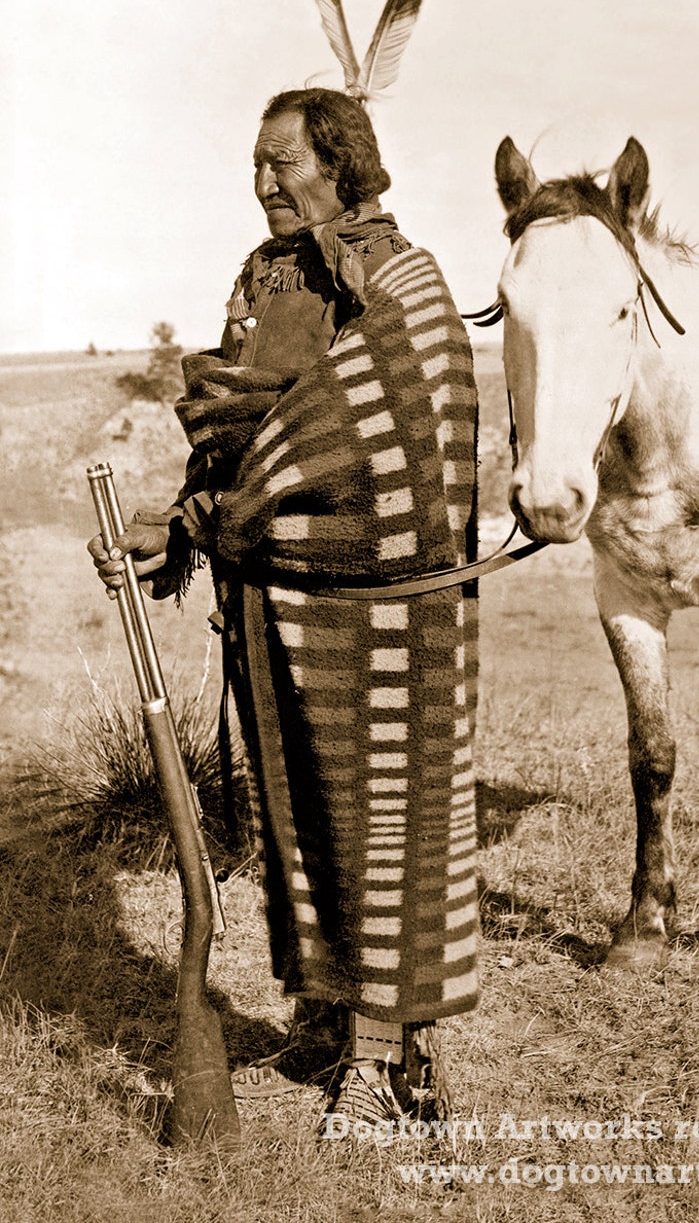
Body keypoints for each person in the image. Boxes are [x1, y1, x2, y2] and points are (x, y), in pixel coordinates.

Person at [89, 87, 480, 1127]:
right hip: (271, 602)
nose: (265, 181)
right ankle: (325, 1023)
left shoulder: (403, 279)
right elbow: (237, 442)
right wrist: (180, 525)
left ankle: (387, 1067)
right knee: (299, 824)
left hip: (383, 610)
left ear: (342, 164)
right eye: (257, 164)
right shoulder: (263, 279)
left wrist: (240, 502)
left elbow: (392, 428)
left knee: (382, 834)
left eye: (286, 162)